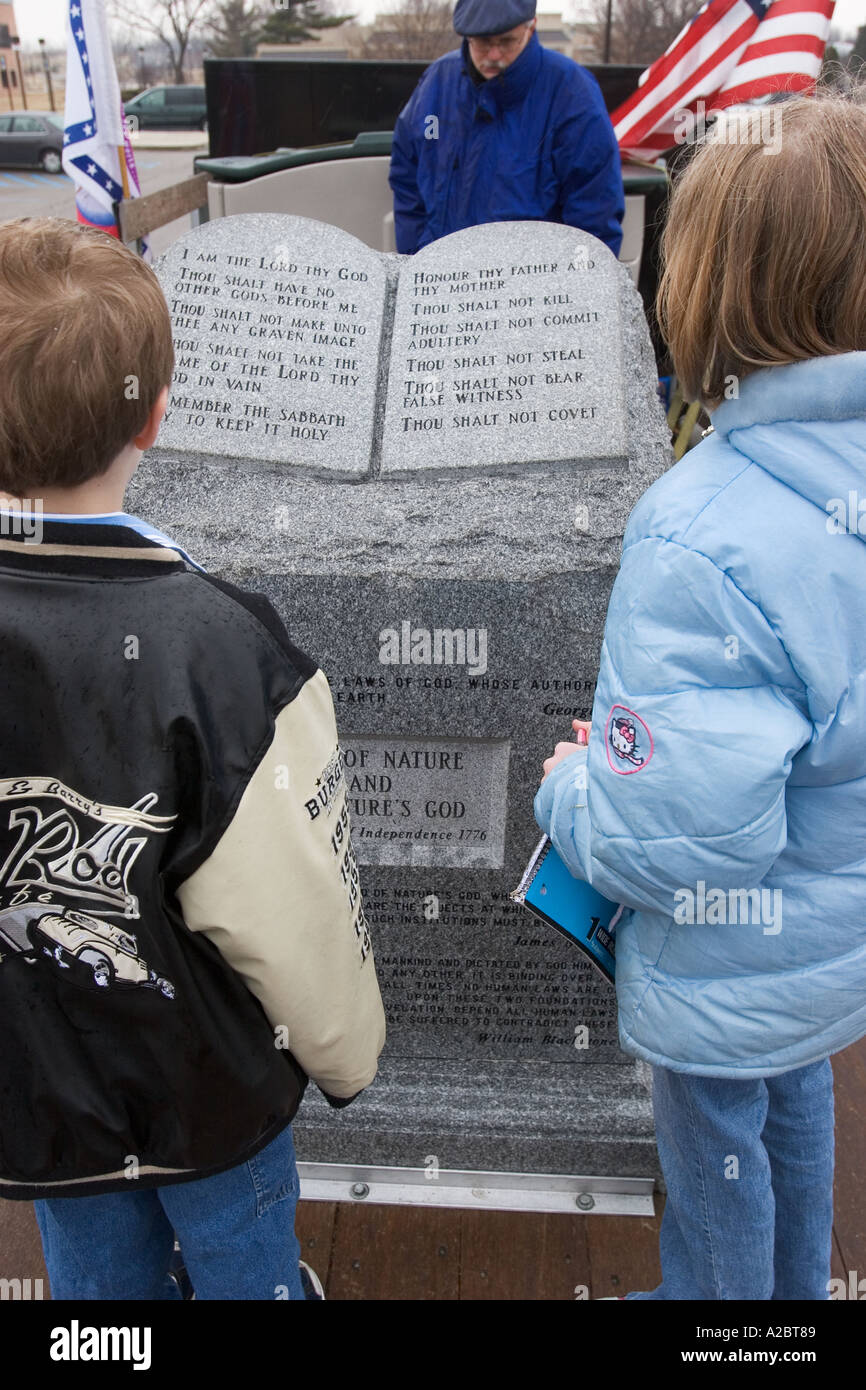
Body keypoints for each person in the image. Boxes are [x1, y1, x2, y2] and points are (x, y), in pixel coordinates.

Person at [0, 217, 386, 1300]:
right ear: (155, 416)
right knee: (242, 1264)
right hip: (208, 1092)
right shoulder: (223, 650)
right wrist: (345, 1049)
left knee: (94, 1293)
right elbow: (292, 906)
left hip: (42, 1099)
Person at [534, 94, 866, 1300]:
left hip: (726, 950)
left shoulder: (700, 530)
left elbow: (672, 844)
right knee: (797, 1102)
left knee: (716, 1150)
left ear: (708, 280)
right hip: (829, 940)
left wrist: (573, 787)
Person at [389, 0, 624, 257]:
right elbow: (406, 173)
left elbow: (595, 210)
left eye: (506, 41)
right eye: (483, 42)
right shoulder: (436, 83)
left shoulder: (572, 93)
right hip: (440, 278)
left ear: (531, 28)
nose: (493, 55)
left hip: (533, 285)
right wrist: (417, 259)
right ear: (467, 37)